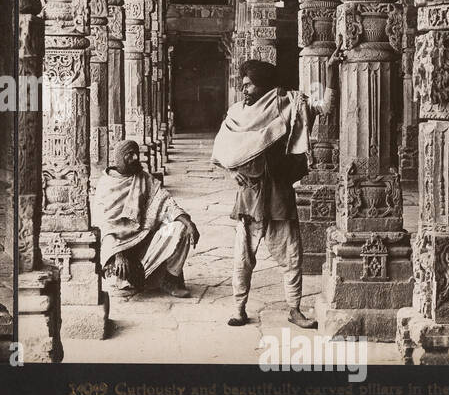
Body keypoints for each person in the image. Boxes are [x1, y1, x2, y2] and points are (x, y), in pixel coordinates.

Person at [211, 58, 335, 329]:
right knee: (242, 257)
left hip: (279, 191)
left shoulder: (288, 104)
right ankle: (239, 309)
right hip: (250, 195)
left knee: (292, 254)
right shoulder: (237, 113)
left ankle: (294, 309)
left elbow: (325, 107)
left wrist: (330, 70)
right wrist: (232, 171)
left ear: (264, 85)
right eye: (243, 84)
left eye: (249, 85)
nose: (244, 90)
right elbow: (222, 148)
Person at [93, 139, 200, 298]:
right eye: (130, 155)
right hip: (117, 248)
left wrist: (188, 222)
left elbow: (167, 203)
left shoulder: (144, 178)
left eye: (136, 154)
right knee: (121, 278)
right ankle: (136, 278)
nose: (136, 158)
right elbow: (103, 226)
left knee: (180, 228)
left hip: (145, 241)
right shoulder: (105, 184)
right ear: (119, 158)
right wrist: (118, 254)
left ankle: (169, 280)